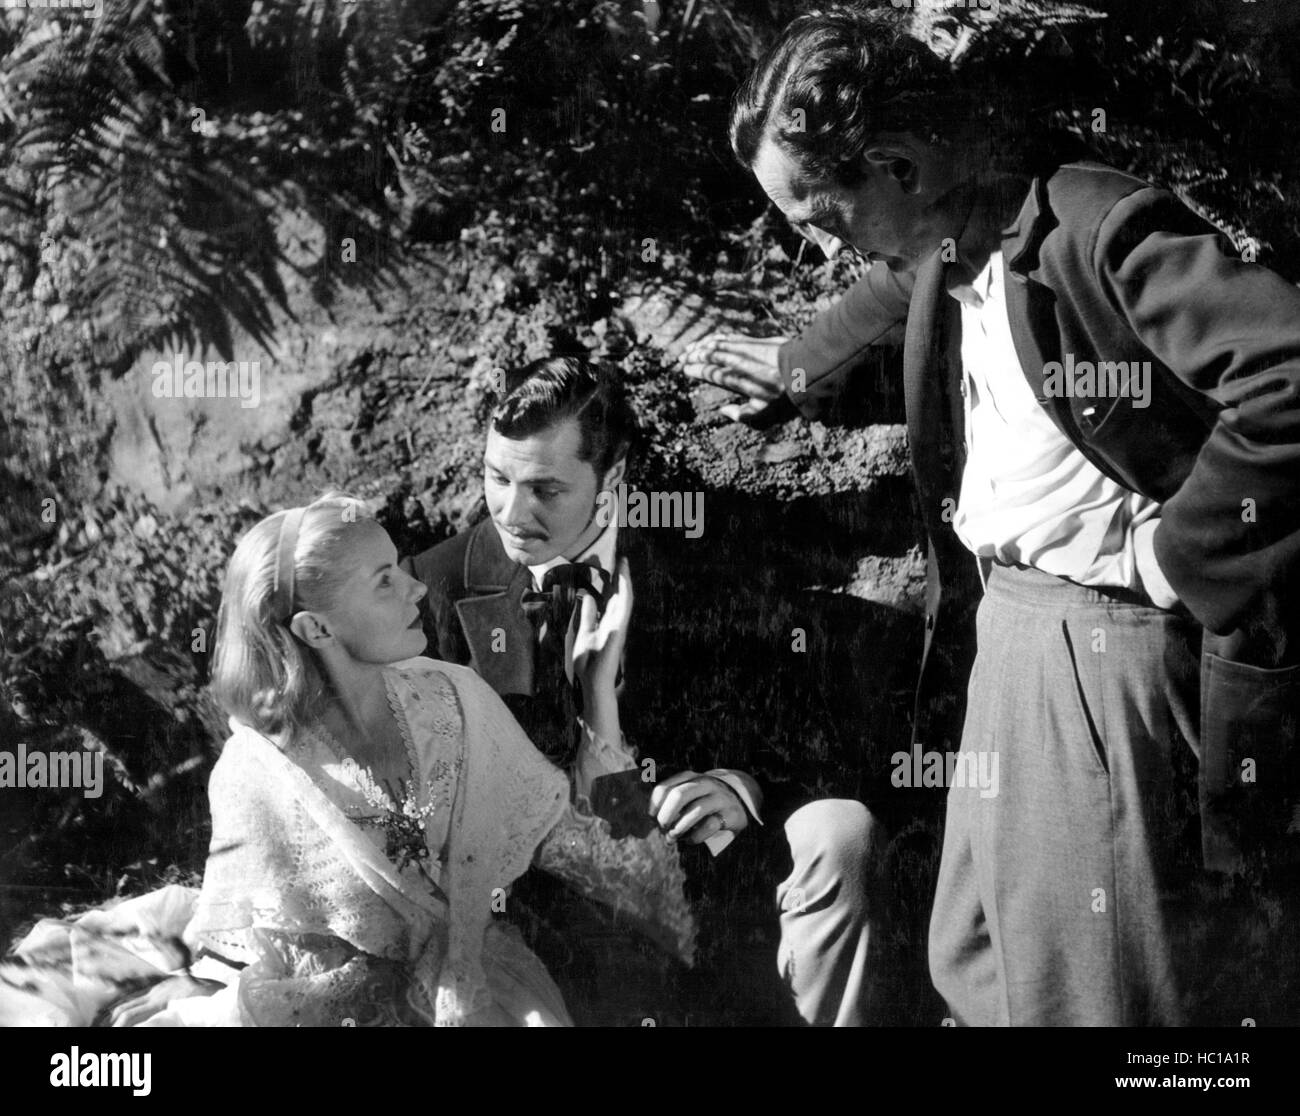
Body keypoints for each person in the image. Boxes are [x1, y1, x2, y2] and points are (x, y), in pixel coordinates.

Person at [684, 6, 1300, 1025]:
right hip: (1006, 641)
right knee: (980, 961)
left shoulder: (1093, 230)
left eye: (821, 218)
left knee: (1091, 991)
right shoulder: (944, 237)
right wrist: (798, 362)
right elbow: (885, 288)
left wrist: (1182, 554)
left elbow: (1285, 376)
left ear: (897, 166)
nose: (826, 251)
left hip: (1102, 658)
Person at [2, 494, 694, 1027]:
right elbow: (274, 960)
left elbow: (576, 846)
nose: (418, 590)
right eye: (385, 581)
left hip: (479, 984)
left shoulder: (454, 701)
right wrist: (361, 992)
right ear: (316, 628)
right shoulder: (257, 774)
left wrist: (600, 697)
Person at [404, 355, 882, 1025]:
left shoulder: (702, 555)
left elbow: (808, 721)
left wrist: (740, 786)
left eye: (546, 489)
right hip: (554, 902)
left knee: (839, 833)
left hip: (712, 862)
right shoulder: (434, 585)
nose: (513, 512)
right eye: (498, 478)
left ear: (613, 480)